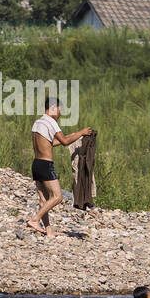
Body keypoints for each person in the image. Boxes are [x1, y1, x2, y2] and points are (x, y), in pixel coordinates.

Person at [27, 97, 91, 237]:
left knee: (44, 200)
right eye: (60, 110)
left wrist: (74, 135)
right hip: (45, 165)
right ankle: (35, 220)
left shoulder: (38, 122)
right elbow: (65, 142)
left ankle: (49, 230)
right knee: (57, 197)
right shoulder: (51, 122)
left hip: (36, 164)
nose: (60, 113)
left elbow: (52, 142)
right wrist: (81, 132)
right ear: (53, 108)